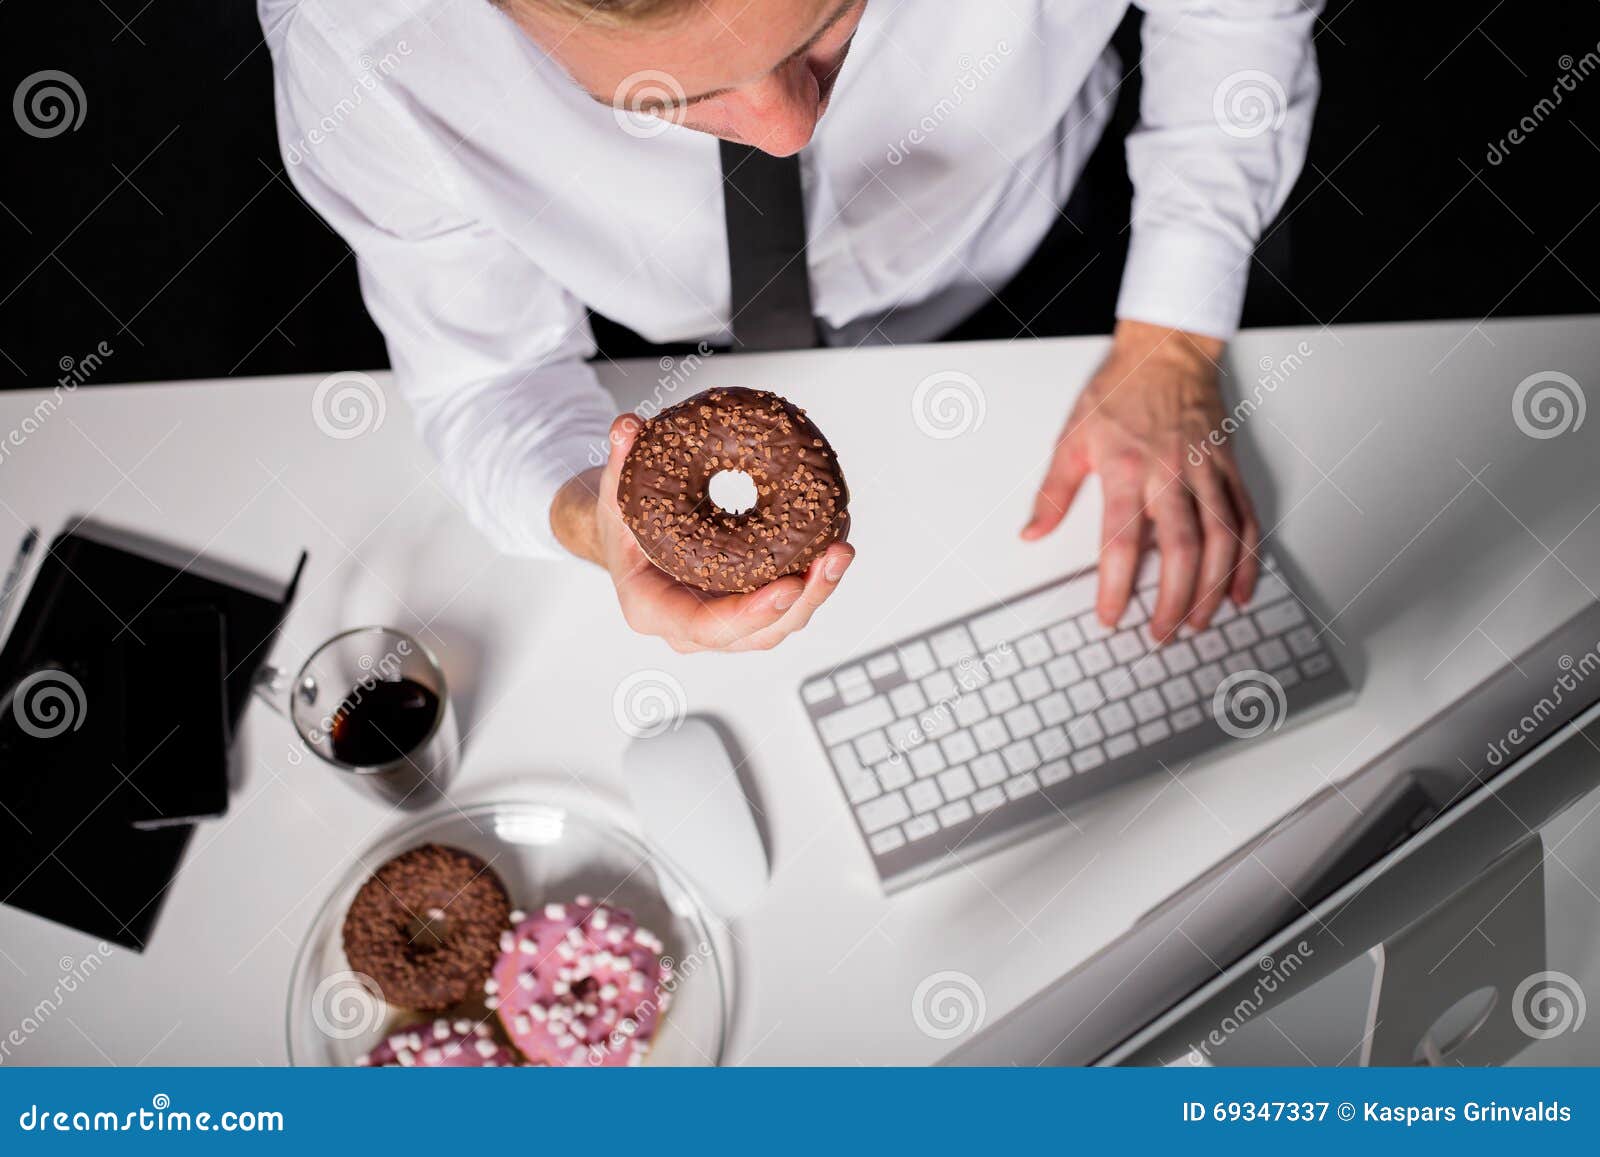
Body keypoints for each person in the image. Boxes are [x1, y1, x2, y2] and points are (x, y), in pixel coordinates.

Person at [260, 0, 1319, 653]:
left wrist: (1171, 336)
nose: (787, 131)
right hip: (667, 355)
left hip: (1039, 253)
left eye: (829, 25)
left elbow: (1232, 14)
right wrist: (597, 515)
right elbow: (485, 380)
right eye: (671, 98)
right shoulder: (368, 46)